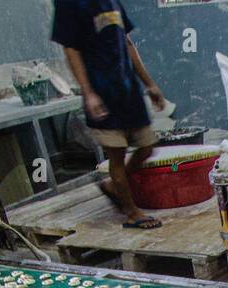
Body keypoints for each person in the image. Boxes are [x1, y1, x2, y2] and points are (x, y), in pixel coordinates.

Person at [53, 0, 167, 230]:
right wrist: (89, 93)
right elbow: (71, 50)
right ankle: (132, 212)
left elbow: (126, 43)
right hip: (102, 93)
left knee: (147, 147)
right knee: (116, 154)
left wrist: (149, 84)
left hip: (128, 92)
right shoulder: (69, 4)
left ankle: (114, 185)